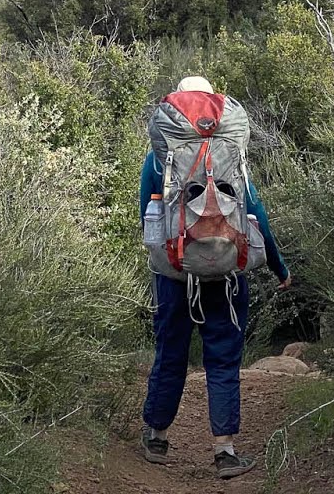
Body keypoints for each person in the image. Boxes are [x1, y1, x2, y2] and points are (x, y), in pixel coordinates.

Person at [139, 76, 291, 479]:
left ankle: (156, 438)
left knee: (170, 355)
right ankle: (225, 453)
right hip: (227, 273)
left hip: (174, 274)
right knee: (223, 361)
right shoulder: (230, 157)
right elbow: (256, 212)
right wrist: (278, 266)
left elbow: (147, 219)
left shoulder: (159, 158)